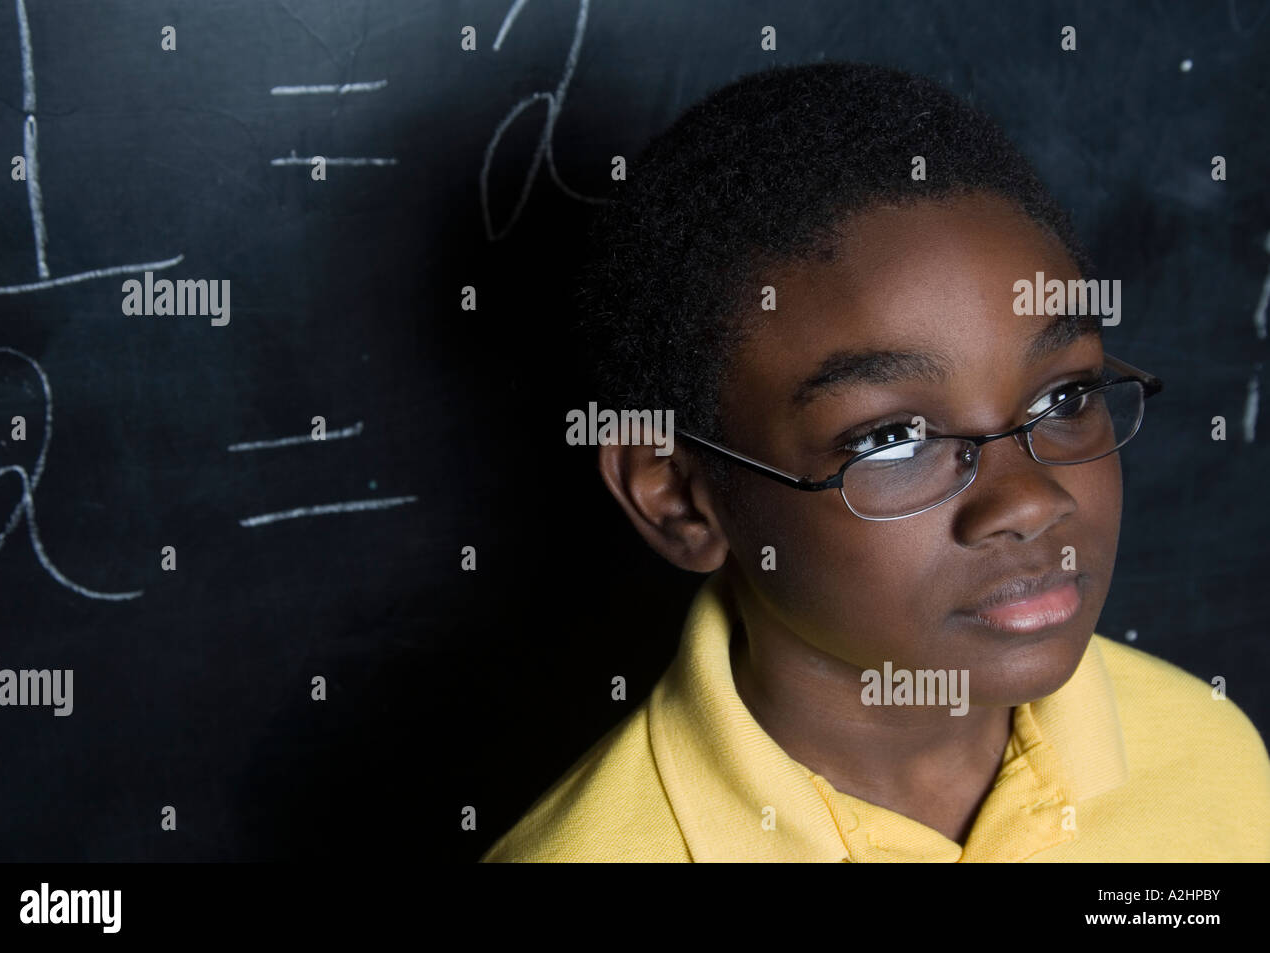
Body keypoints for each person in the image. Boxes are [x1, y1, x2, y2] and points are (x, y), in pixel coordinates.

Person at [480, 61, 1270, 862]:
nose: (1029, 502)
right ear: (679, 498)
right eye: (893, 439)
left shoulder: (1209, 757)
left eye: (1064, 398)